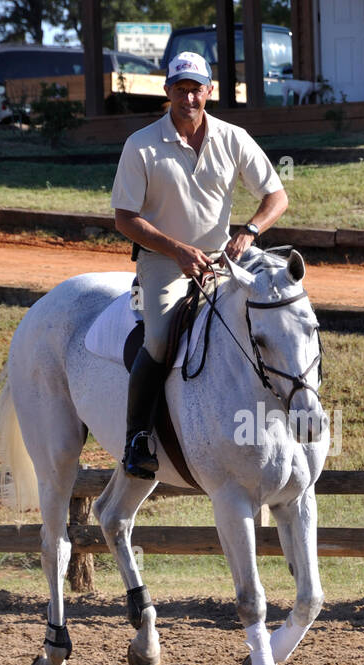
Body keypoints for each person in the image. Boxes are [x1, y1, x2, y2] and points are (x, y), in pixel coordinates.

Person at [110, 51, 289, 479]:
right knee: (158, 339)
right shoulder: (141, 145)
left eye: (197, 89)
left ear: (209, 91)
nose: (189, 97)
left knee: (275, 310)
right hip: (163, 263)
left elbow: (276, 197)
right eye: (181, 88)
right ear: (167, 90)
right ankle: (138, 438)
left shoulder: (233, 137)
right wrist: (177, 250)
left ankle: (293, 410)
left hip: (223, 260)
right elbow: (124, 219)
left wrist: (249, 231)